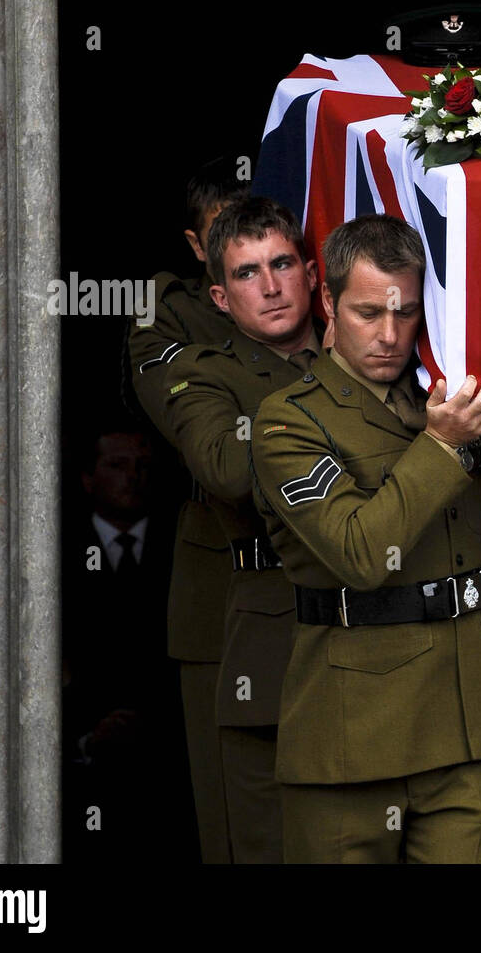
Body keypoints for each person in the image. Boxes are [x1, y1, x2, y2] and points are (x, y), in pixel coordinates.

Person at [250, 214, 481, 863]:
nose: (391, 336)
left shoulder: (453, 395)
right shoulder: (289, 420)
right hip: (351, 732)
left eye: (406, 313)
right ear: (329, 304)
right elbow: (361, 553)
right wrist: (444, 446)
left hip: (466, 720)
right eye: (370, 313)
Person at [161, 196, 322, 863]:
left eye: (282, 263)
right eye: (249, 273)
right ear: (222, 299)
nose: (272, 286)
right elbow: (227, 469)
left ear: (312, 272)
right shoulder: (203, 373)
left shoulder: (384, 358)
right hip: (275, 641)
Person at [127, 156, 247, 862]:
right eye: (223, 233)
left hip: (324, 580)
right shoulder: (165, 311)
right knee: (232, 819)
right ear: (197, 246)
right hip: (220, 581)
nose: (244, 251)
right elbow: (202, 436)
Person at [62, 417, 195, 863]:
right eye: (118, 464)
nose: (133, 476)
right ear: (87, 477)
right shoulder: (50, 554)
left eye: (142, 465)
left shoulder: (184, 549)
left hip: (168, 761)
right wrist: (83, 737)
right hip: (77, 764)